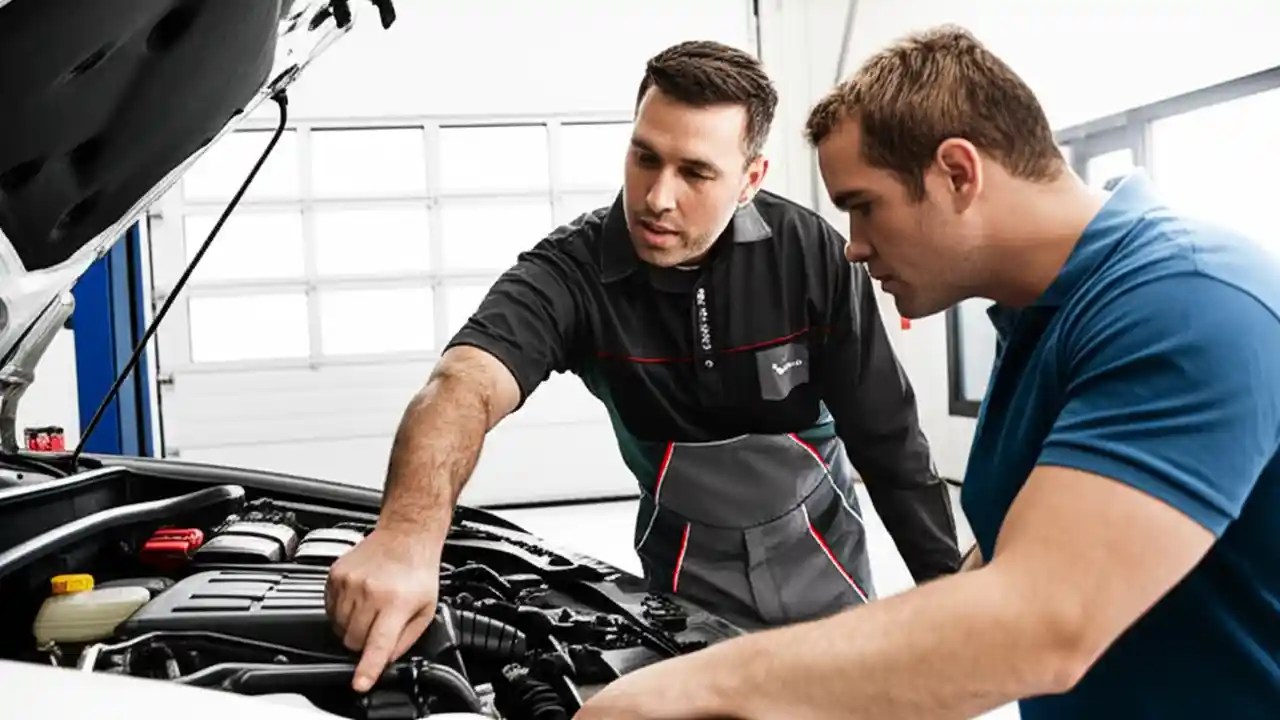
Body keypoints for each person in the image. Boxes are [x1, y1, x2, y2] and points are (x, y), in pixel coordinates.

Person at [574, 24, 1280, 720]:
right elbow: (1006, 573)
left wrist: (699, 685)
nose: (852, 248)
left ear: (957, 173)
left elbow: (1044, 622)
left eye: (862, 206)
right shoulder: (1047, 320)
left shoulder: (1188, 301)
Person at [325, 39, 962, 692]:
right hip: (685, 582)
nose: (658, 197)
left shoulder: (812, 256)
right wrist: (406, 535)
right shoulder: (572, 273)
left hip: (826, 564)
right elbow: (463, 383)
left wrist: (952, 605)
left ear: (750, 179)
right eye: (645, 157)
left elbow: (888, 441)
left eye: (695, 172)